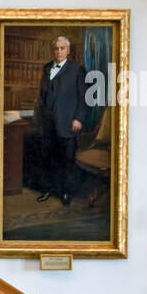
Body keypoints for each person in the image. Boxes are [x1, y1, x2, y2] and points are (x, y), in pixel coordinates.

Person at [34, 36, 90, 207]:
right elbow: (43, 95)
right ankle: (48, 189)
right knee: (48, 158)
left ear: (68, 50)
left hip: (67, 122)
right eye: (56, 49)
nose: (59, 51)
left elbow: (83, 98)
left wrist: (78, 118)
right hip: (47, 122)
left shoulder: (77, 70)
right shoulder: (46, 68)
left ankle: (66, 192)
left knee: (67, 160)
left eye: (62, 48)